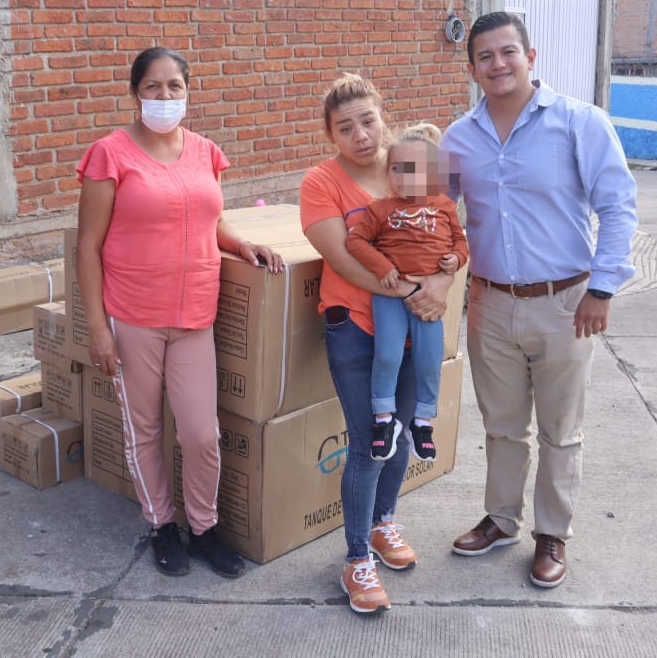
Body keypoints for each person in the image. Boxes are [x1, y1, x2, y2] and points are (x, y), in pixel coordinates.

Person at [442, 12, 638, 588]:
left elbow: (618, 207)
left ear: (532, 56)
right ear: (472, 66)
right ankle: (501, 519)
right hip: (490, 302)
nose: (498, 64)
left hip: (566, 301)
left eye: (508, 52)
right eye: (485, 56)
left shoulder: (581, 122)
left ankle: (552, 533)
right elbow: (425, 212)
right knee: (502, 424)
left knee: (560, 427)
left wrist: (602, 288)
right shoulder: (458, 137)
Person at [74, 47, 283, 580]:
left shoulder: (206, 152)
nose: (164, 97)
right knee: (144, 429)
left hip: (195, 316)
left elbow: (206, 220)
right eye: (152, 87)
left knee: (200, 433)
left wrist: (242, 245)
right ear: (134, 93)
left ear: (188, 92)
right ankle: (162, 526)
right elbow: (88, 246)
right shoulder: (110, 155)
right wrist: (98, 328)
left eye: (174, 87)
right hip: (133, 316)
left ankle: (204, 528)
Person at [300, 74, 455, 614]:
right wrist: (415, 290)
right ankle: (355, 557)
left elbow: (453, 231)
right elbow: (342, 258)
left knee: (407, 434)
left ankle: (385, 521)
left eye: (367, 120)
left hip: (420, 326)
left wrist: (441, 283)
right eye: (345, 127)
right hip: (357, 329)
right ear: (330, 135)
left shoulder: (411, 162)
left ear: (382, 115)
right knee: (370, 442)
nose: (360, 134)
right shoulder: (322, 183)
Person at [346, 123, 468, 464]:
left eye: (413, 169)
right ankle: (384, 419)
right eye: (396, 169)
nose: (403, 176)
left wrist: (455, 259)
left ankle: (422, 421)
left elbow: (460, 242)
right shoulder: (380, 209)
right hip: (390, 297)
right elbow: (356, 241)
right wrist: (383, 267)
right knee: (387, 354)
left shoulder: (443, 206)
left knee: (430, 359)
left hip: (428, 299)